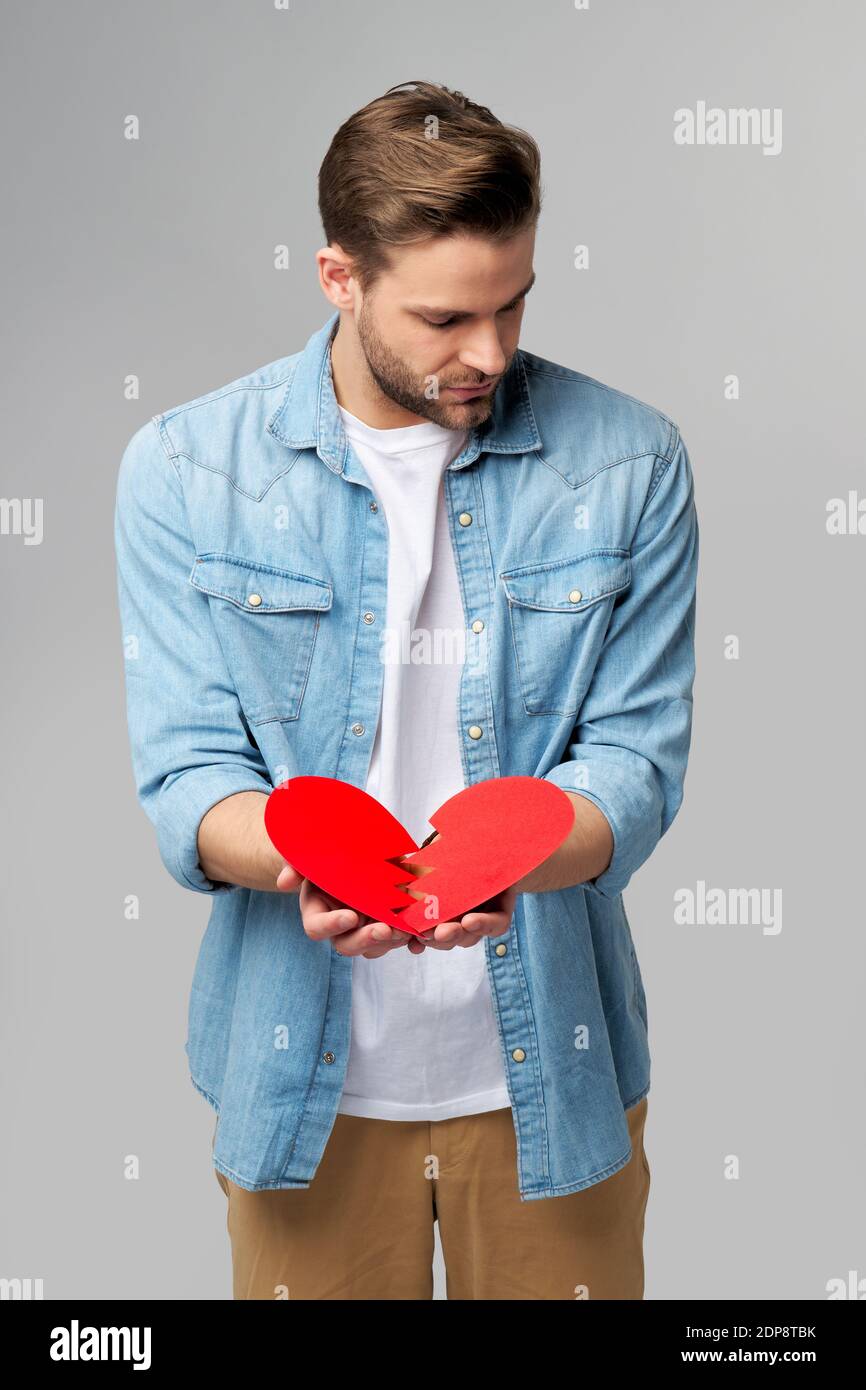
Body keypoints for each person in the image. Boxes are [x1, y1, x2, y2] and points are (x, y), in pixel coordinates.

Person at [114, 79, 698, 1300]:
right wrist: (300, 858)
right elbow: (188, 781)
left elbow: (634, 767)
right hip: (299, 1082)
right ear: (339, 278)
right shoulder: (180, 470)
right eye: (443, 317)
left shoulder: (630, 459)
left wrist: (511, 856)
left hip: (554, 1074)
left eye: (514, 301)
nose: (487, 351)